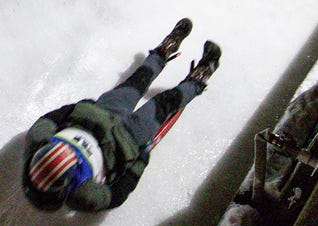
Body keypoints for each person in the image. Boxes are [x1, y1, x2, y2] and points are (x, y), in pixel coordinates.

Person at [22, 19, 221, 212]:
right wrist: (140, 159)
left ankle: (170, 53)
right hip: (124, 138)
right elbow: (116, 195)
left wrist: (78, 109)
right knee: (160, 98)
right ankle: (198, 77)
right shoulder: (84, 196)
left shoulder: (39, 142)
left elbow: (48, 121)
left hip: (104, 118)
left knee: (142, 84)